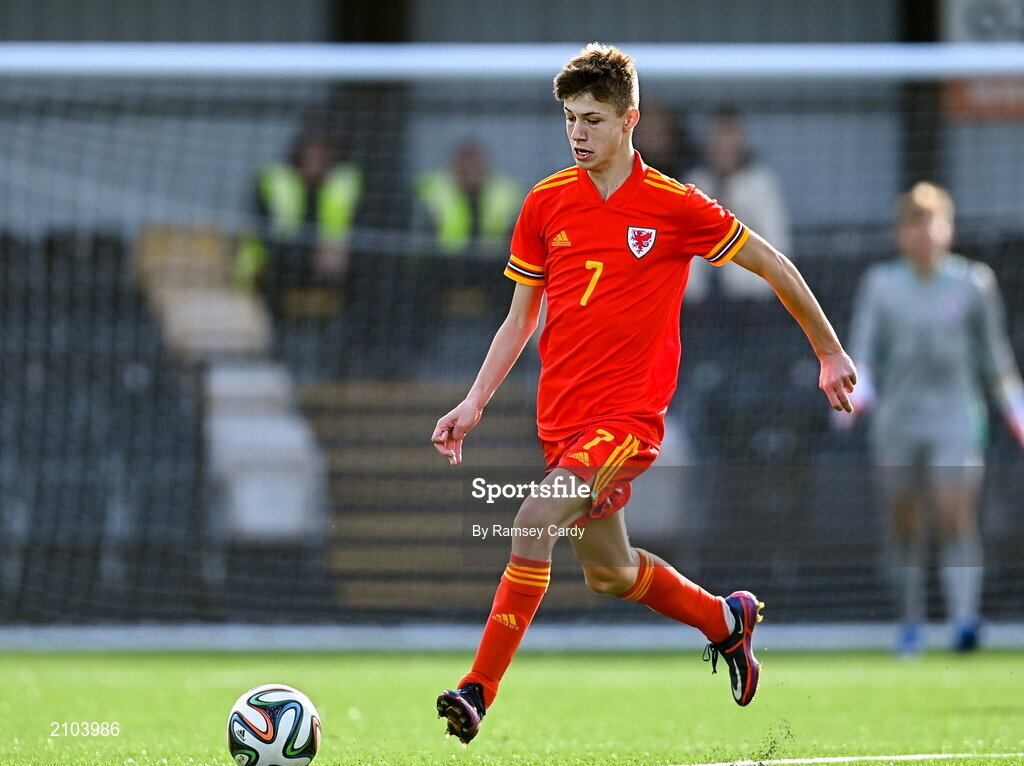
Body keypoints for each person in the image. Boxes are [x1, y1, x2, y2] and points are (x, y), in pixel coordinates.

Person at [430, 43, 857, 745]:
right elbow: (520, 318)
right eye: (570, 118)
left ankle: (478, 689)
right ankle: (726, 619)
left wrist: (829, 350)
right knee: (611, 572)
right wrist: (474, 401)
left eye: (593, 119)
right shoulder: (545, 202)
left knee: (533, 519)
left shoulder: (674, 205)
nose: (578, 133)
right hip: (561, 422)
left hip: (627, 423)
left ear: (631, 119)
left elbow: (772, 263)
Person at [846, 181, 1024, 656]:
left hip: (955, 418)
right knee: (905, 525)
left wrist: (1016, 410)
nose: (923, 233)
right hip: (898, 422)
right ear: (899, 233)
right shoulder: (881, 284)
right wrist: (854, 395)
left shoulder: (974, 283)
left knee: (954, 512)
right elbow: (864, 353)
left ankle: (964, 619)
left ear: (949, 229)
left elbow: (996, 357)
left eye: (932, 222)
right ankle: (910, 624)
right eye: (913, 224)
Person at [234, 126, 362, 312]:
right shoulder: (275, 180)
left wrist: (340, 252)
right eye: (313, 152)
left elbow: (361, 230)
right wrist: (311, 257)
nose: (317, 159)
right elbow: (263, 233)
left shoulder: (345, 183)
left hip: (329, 270)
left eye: (324, 152)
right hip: (273, 266)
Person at [686, 106, 791, 302]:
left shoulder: (760, 182)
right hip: (699, 298)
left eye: (730, 135)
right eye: (718, 135)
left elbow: (778, 240)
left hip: (749, 295)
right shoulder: (696, 181)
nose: (723, 144)